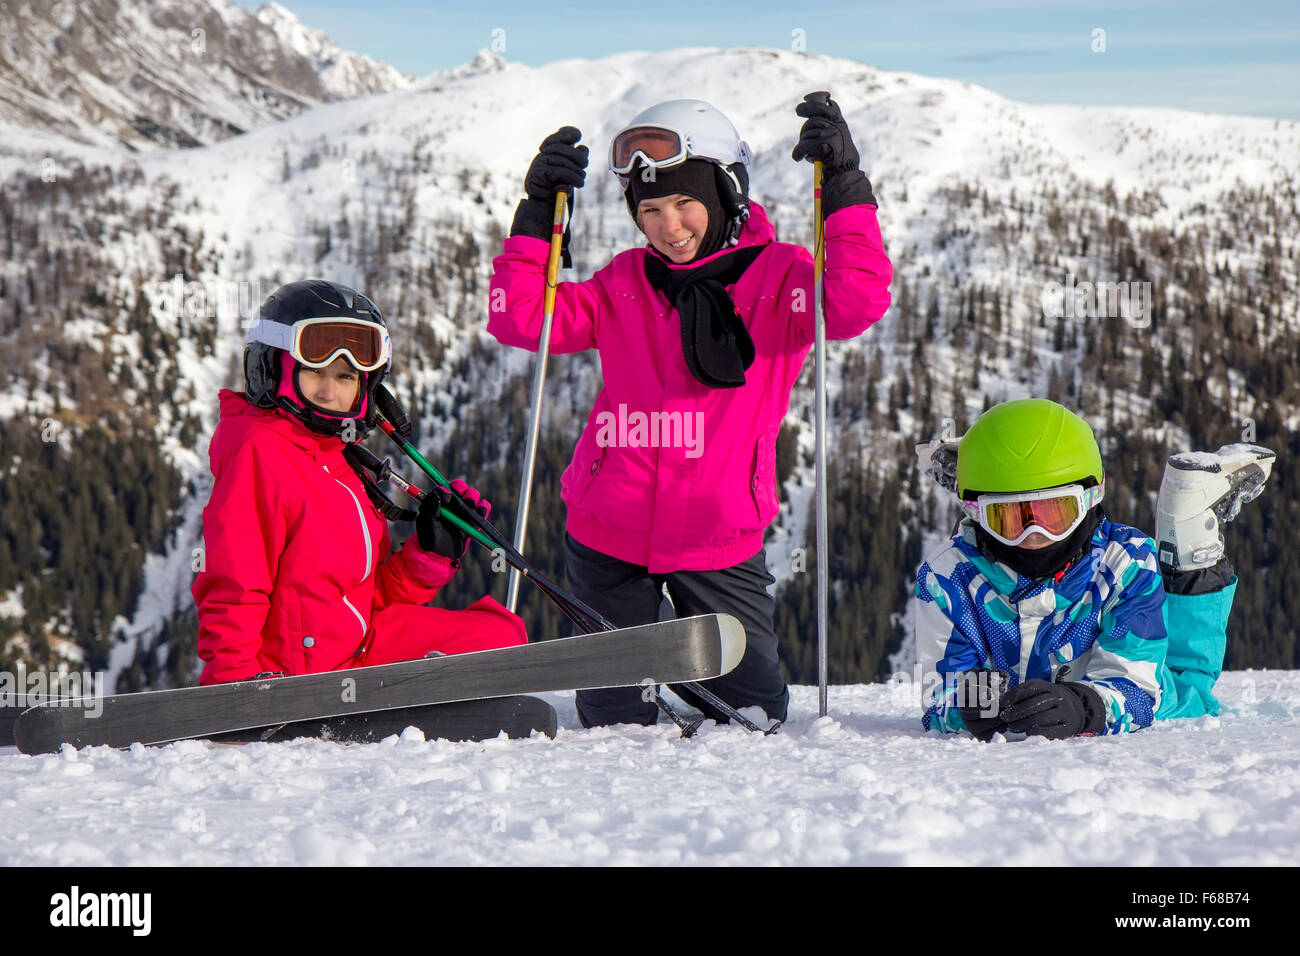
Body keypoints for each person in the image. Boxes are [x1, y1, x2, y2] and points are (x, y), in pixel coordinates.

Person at [488, 94, 893, 726]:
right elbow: (518, 320)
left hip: (720, 535)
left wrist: (844, 190)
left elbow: (855, 303)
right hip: (607, 533)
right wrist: (537, 220)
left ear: (727, 193)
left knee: (753, 718)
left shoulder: (782, 277)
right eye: (649, 209)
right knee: (615, 724)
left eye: (684, 203)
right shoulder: (621, 282)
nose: (668, 226)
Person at [193, 279, 525, 685]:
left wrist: (427, 558)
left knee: (503, 635)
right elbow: (235, 583)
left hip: (356, 647)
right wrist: (234, 687)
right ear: (272, 368)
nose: (330, 391)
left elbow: (360, 598)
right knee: (498, 649)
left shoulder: (337, 457)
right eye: (315, 370)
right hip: (304, 676)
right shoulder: (259, 452)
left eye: (346, 376)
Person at [914, 398, 1274, 739]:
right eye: (1009, 519)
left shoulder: (1125, 563)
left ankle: (1191, 514)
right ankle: (998, 462)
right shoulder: (945, 578)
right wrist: (967, 709)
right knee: (981, 537)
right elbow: (938, 698)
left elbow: (1139, 688)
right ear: (974, 512)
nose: (1034, 536)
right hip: (978, 519)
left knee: (1188, 688)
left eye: (1055, 514)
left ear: (1092, 495)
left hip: (1154, 689)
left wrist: (1084, 707)